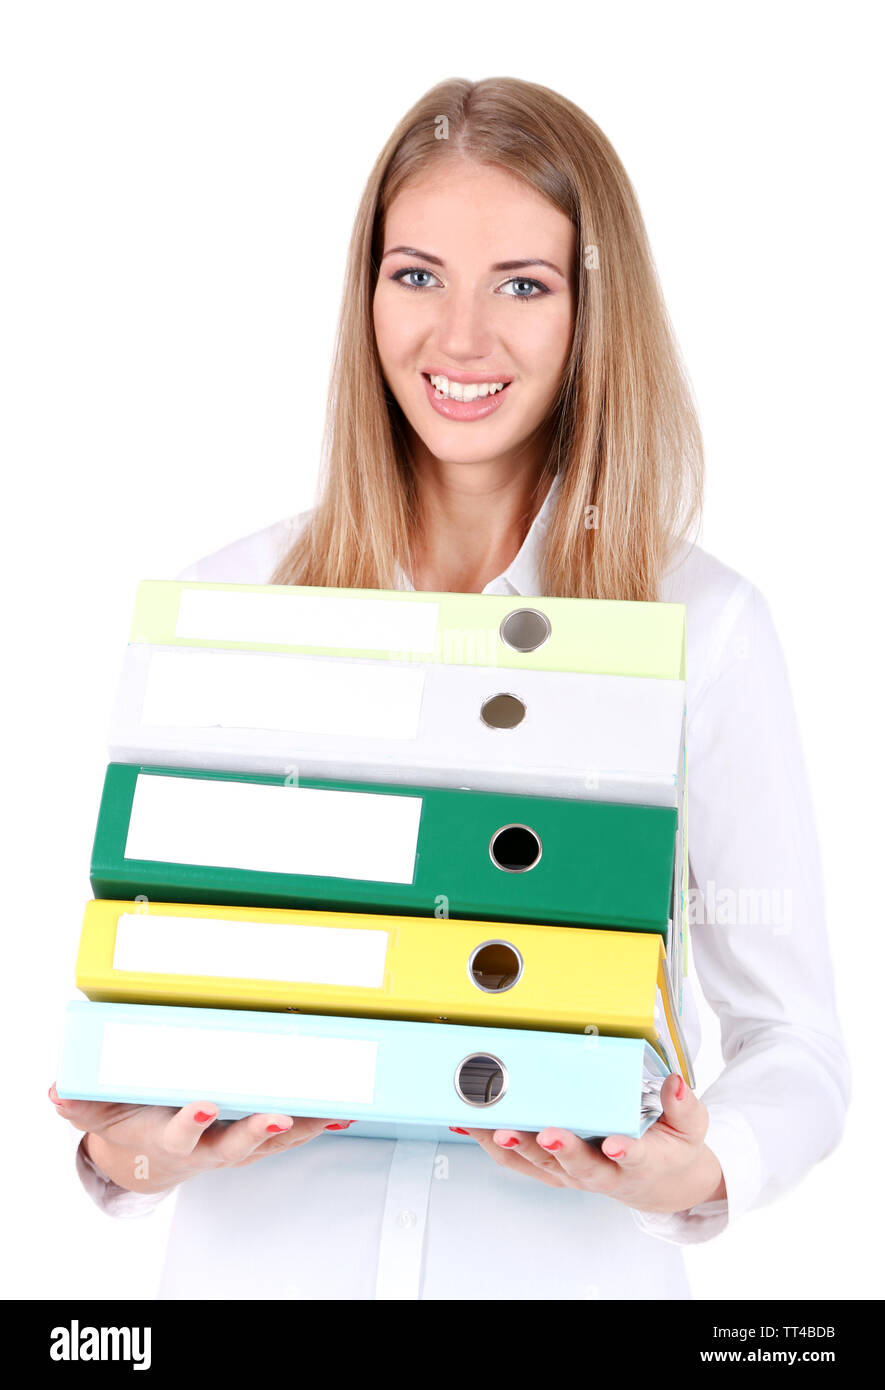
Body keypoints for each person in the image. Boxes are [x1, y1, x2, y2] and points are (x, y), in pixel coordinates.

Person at [51, 76, 849, 1300]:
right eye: (416, 274)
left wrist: (691, 1172)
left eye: (520, 284)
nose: (459, 338)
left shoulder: (706, 628)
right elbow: (147, 986)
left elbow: (798, 1049)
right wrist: (128, 1152)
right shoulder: (233, 604)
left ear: (593, 308)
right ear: (367, 292)